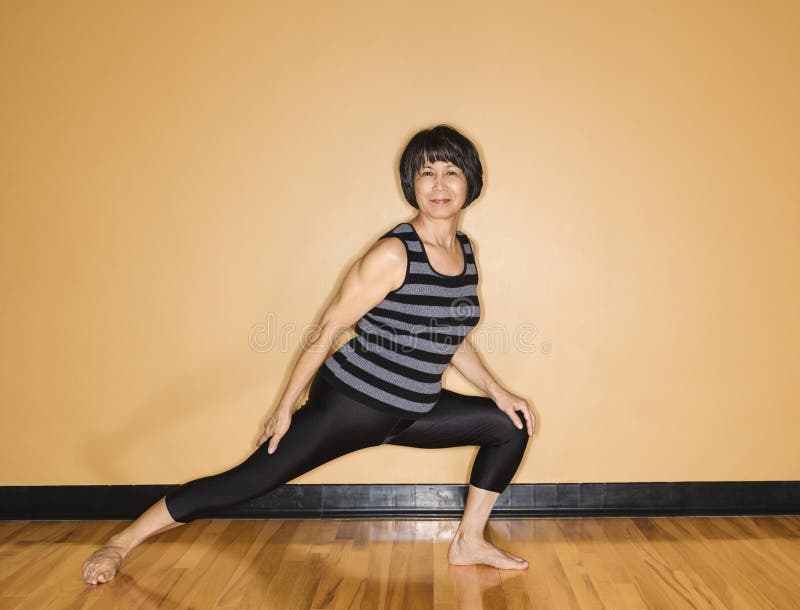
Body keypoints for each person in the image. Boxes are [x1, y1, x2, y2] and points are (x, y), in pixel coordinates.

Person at [82, 124, 536, 585]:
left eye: (451, 171)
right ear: (411, 184)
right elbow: (328, 329)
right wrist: (284, 408)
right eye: (427, 172)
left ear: (470, 180)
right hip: (352, 405)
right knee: (244, 483)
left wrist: (498, 392)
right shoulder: (394, 253)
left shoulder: (464, 251)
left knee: (510, 425)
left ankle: (469, 541)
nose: (439, 184)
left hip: (414, 409)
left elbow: (450, 337)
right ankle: (120, 543)